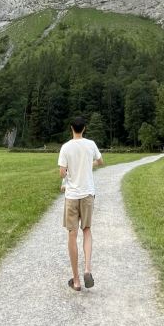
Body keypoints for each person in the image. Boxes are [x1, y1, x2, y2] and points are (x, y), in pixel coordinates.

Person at [58, 116, 104, 291]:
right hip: (87, 194)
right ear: (84, 128)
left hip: (72, 196)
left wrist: (68, 171)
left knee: (72, 234)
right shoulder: (91, 144)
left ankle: (76, 280)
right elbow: (100, 161)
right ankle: (87, 269)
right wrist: (89, 163)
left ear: (72, 128)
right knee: (87, 231)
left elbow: (62, 173)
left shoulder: (66, 147)